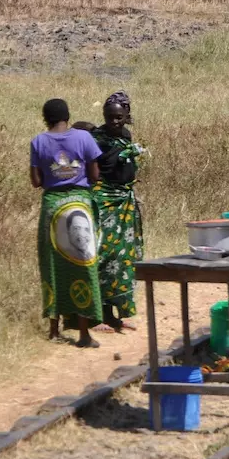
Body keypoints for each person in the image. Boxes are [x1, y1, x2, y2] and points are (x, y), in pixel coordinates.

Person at [31, 98, 104, 348]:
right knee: (83, 264)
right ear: (68, 116)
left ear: (45, 118)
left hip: (52, 207)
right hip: (79, 206)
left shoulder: (38, 141)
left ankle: (54, 329)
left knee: (52, 265)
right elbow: (94, 175)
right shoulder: (84, 138)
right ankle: (83, 333)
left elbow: (36, 181)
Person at [74, 91, 145, 334]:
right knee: (104, 256)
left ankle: (116, 314)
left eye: (118, 117)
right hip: (104, 203)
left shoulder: (126, 135)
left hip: (123, 203)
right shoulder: (96, 137)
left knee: (122, 260)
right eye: (109, 117)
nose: (114, 121)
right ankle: (98, 314)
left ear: (127, 115)